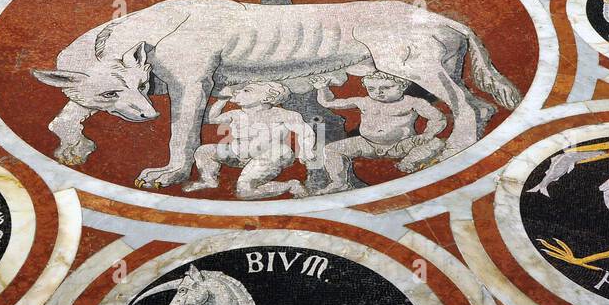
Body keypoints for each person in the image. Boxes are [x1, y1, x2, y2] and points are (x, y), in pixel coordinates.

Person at [312, 72, 446, 193]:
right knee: (331, 149)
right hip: (367, 144)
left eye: (386, 88)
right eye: (372, 89)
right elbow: (328, 102)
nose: (378, 92)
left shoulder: (413, 102)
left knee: (436, 143)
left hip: (401, 145)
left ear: (402, 86)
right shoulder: (363, 101)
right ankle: (339, 183)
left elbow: (438, 118)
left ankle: (410, 161)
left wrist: (428, 134)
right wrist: (322, 88)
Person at [183, 81, 315, 199]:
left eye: (247, 90)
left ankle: (290, 185)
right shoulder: (236, 114)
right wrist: (222, 100)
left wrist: (305, 150)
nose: (237, 92)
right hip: (239, 154)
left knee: (245, 191)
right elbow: (213, 119)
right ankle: (208, 180)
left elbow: (305, 131)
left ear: (267, 97)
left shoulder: (282, 114)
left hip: (271, 155)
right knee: (204, 151)